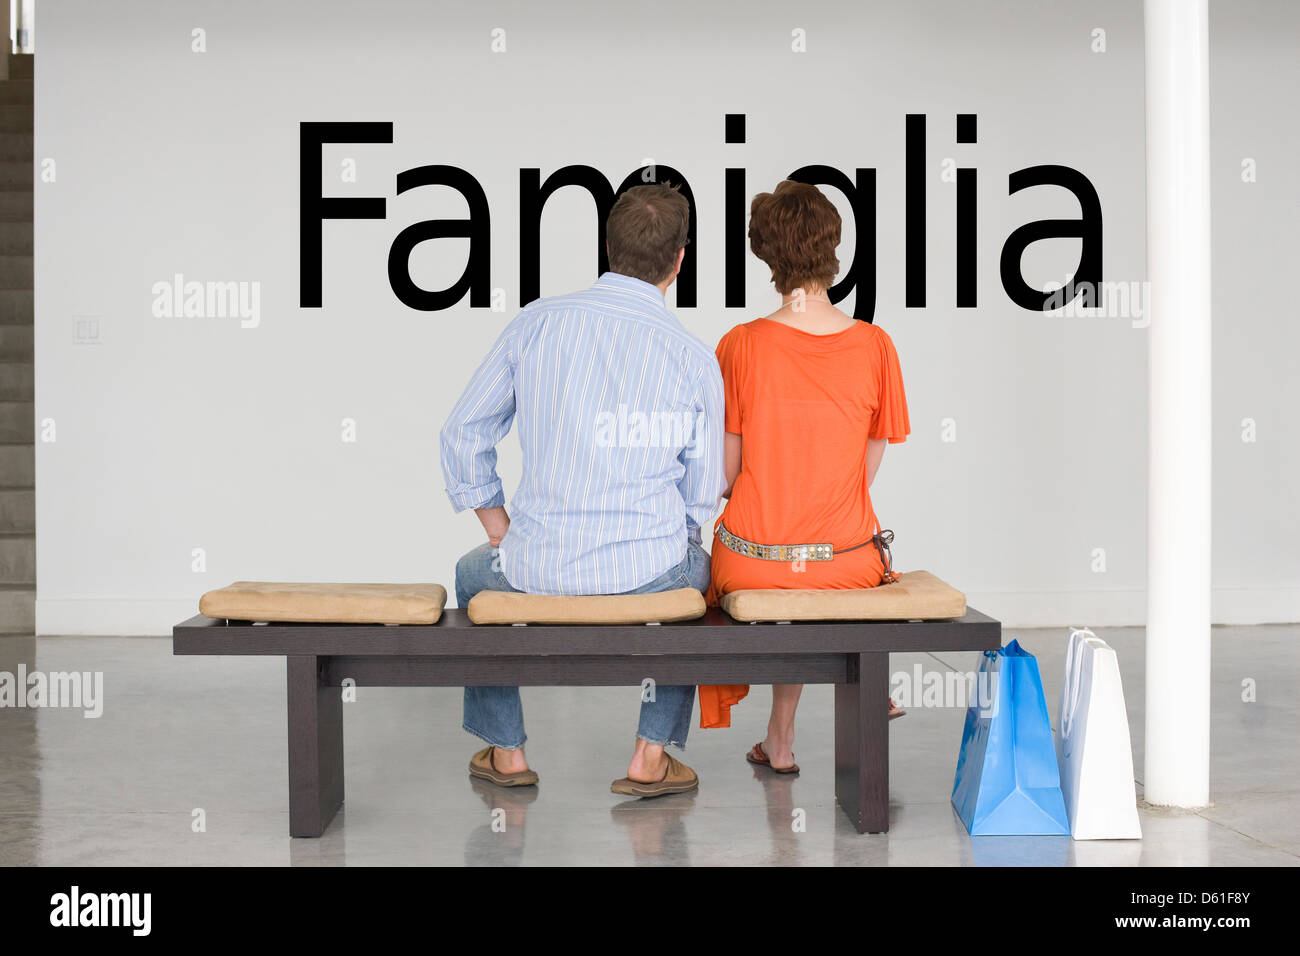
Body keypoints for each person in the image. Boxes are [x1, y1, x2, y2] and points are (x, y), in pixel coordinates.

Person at [440, 183, 726, 797]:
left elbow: (463, 430)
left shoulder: (536, 325)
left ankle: (507, 752)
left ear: (607, 246)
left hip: (535, 567)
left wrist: (500, 532)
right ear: (681, 260)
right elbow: (703, 496)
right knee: (695, 576)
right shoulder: (694, 358)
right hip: (652, 574)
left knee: (471, 576)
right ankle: (650, 754)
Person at [702, 181, 910, 773]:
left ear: (766, 256)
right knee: (819, 572)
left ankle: (781, 740)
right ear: (833, 246)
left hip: (752, 560)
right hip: (846, 562)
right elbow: (863, 471)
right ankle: (846, 697)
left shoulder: (740, 346)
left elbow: (726, 475)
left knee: (789, 577)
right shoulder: (875, 346)